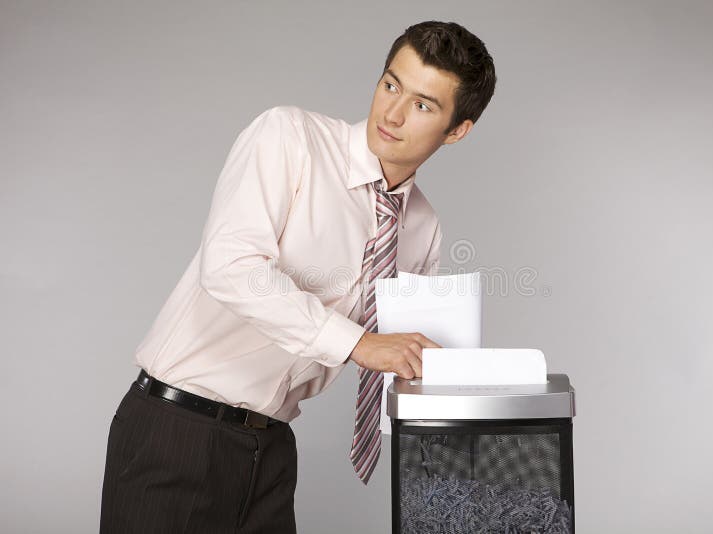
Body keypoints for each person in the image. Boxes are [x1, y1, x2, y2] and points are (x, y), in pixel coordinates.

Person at [99, 20, 496, 533]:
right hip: (178, 432)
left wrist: (470, 400)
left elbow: (407, 361)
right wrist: (358, 343)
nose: (392, 113)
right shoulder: (290, 138)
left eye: (423, 104)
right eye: (391, 84)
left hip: (271, 449)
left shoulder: (422, 228)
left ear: (457, 130)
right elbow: (231, 265)